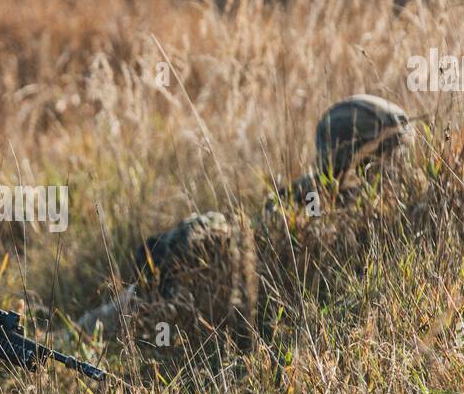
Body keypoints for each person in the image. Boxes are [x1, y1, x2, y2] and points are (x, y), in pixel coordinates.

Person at [75, 94, 415, 346]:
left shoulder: (386, 211)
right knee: (117, 313)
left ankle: (71, 337)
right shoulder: (309, 203)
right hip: (203, 285)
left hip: (215, 302)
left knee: (122, 311)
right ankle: (68, 339)